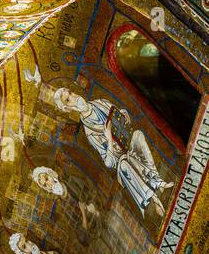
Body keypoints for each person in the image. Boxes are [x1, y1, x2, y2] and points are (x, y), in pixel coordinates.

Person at [51, 84, 172, 218]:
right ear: (68, 108)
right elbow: (108, 163)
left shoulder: (99, 102)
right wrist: (109, 140)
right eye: (68, 100)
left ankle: (158, 181)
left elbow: (117, 116)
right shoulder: (90, 132)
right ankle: (154, 199)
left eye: (71, 93)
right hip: (121, 160)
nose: (75, 97)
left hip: (127, 142)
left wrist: (124, 113)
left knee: (138, 135)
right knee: (125, 164)